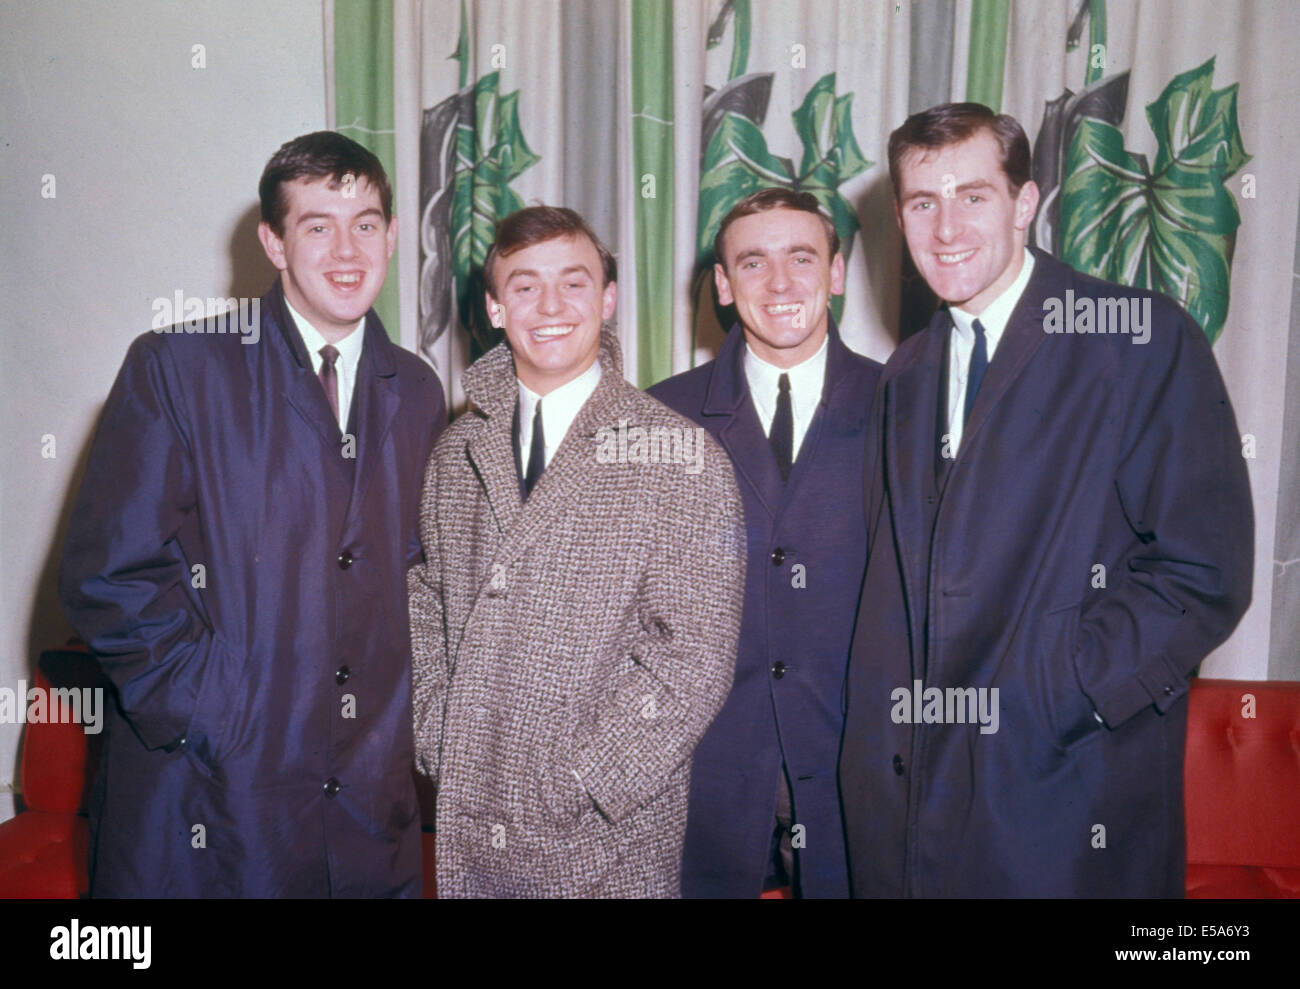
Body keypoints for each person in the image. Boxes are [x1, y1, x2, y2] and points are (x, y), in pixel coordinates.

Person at [840, 102, 1253, 897]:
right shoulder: (907, 373)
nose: (947, 227)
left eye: (975, 196)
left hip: (1065, 798)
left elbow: (1204, 569)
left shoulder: (1136, 337)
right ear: (899, 216)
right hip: (911, 814)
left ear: (1026, 203)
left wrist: (1058, 688)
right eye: (924, 203)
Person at [59, 131, 446, 897]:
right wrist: (215, 709)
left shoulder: (420, 389)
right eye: (316, 226)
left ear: (394, 237)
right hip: (209, 801)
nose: (346, 250)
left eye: (365, 224)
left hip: (370, 811)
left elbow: (413, 575)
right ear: (272, 242)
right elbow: (109, 575)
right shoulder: (177, 367)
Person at [408, 205, 746, 898]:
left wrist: (586, 780)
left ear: (608, 298)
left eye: (575, 282)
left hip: (607, 843)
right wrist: (440, 734)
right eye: (525, 286)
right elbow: (428, 602)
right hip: (473, 820)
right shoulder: (454, 451)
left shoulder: (680, 455)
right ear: (497, 309)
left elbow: (695, 658)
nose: (552, 306)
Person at [649, 189, 881, 897]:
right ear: (723, 284)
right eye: (753, 262)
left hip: (857, 775)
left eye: (802, 257)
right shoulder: (661, 415)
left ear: (837, 272)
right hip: (703, 782)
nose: (780, 284)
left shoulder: (902, 405)